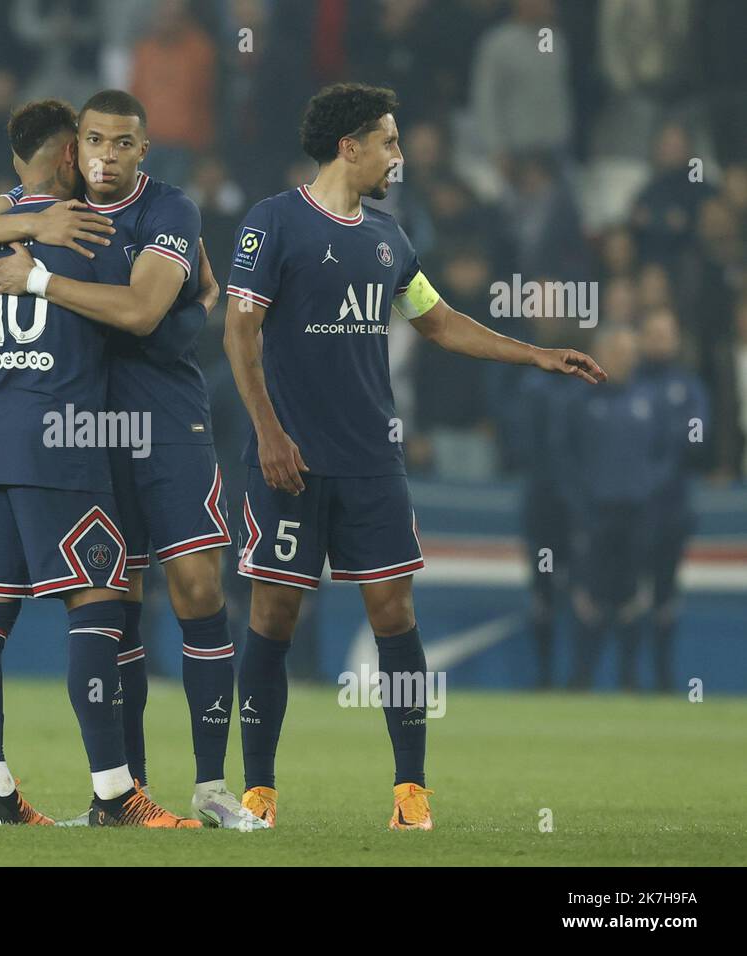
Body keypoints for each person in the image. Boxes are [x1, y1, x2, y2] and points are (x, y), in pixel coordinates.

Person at [222, 82, 606, 829]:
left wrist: (536, 355)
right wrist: (268, 430)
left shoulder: (389, 239)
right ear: (350, 146)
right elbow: (240, 334)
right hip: (291, 460)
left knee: (395, 613)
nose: (400, 158)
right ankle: (259, 791)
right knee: (272, 616)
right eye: (390, 143)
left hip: (371, 460)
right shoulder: (273, 224)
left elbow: (439, 321)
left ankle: (411, 793)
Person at [0, 90, 259, 829]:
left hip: (164, 423)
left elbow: (145, 312)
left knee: (196, 590)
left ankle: (212, 786)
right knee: (113, 608)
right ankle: (126, 788)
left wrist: (37, 277)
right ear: (73, 149)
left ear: (142, 150)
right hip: (84, 431)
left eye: (122, 144)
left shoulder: (169, 210)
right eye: (94, 141)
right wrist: (29, 228)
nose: (105, 156)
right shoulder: (52, 211)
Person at [560, 328, 662, 690]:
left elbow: (666, 455)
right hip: (594, 515)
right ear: (600, 353)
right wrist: (581, 501)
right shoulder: (580, 400)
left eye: (630, 351)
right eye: (618, 350)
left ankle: (630, 677)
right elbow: (565, 456)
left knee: (632, 599)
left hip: (636, 516)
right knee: (588, 598)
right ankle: (581, 676)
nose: (626, 358)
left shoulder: (650, 399)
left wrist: (647, 490)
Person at [636, 309, 707, 690]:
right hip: (629, 508)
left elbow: (697, 438)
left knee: (665, 595)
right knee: (625, 593)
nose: (660, 341)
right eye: (653, 333)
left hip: (672, 508)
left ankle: (663, 677)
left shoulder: (688, 385)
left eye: (667, 333)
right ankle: (624, 678)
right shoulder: (627, 382)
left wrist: (660, 452)